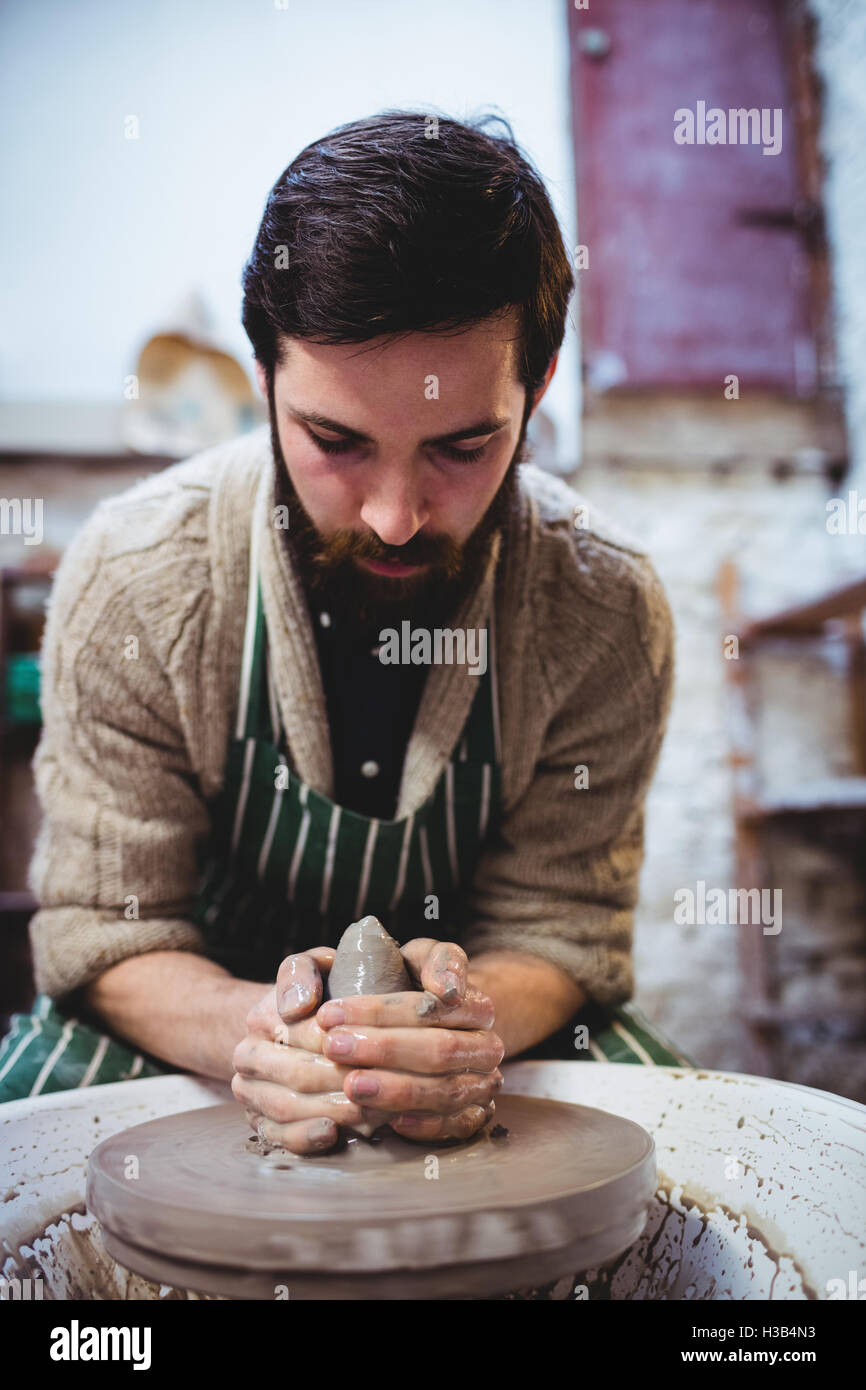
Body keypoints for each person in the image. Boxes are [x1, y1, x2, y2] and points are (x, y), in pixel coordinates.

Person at [0, 111, 694, 1138]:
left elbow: (561, 929)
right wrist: (259, 1030)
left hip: (469, 1032)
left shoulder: (600, 605)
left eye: (461, 447)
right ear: (264, 376)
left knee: (690, 1155)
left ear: (535, 386)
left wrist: (453, 1036)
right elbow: (106, 931)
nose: (393, 515)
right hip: (193, 1023)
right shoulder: (137, 575)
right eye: (336, 441)